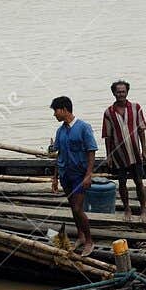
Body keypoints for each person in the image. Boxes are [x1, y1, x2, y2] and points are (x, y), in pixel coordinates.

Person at [50, 96, 97, 257]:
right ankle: (80, 236)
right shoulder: (60, 131)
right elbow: (58, 154)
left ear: (64, 109)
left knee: (78, 208)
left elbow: (91, 151)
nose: (54, 114)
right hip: (65, 174)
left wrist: (88, 175)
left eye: (56, 111)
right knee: (73, 208)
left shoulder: (84, 127)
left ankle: (89, 241)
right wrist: (55, 177)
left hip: (79, 175)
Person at [101, 80, 146, 221]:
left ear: (127, 92)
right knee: (122, 182)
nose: (121, 94)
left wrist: (144, 150)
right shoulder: (108, 112)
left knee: (139, 181)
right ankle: (127, 209)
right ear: (114, 93)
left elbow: (141, 131)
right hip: (118, 154)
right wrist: (108, 156)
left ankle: (143, 210)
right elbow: (108, 136)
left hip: (135, 152)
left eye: (123, 92)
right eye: (118, 92)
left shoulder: (136, 107)